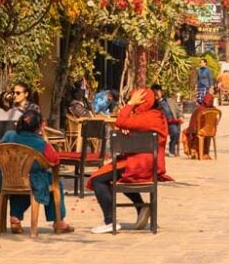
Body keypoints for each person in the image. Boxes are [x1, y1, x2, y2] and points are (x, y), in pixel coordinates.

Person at [87, 87, 171, 234]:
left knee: (98, 180)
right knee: (114, 176)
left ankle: (109, 220)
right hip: (147, 163)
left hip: (138, 165)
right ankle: (140, 207)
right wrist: (128, 128)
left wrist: (130, 104)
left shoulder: (145, 117)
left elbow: (120, 121)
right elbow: (127, 125)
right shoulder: (155, 116)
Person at [0, 109, 74, 234]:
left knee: (23, 182)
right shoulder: (40, 143)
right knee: (55, 183)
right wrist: (44, 137)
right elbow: (55, 160)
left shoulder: (8, 135)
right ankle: (58, 221)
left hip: (7, 179)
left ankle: (15, 218)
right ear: (38, 126)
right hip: (32, 180)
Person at [182, 93, 220, 159]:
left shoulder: (199, 110)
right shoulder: (215, 110)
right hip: (211, 131)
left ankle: (194, 151)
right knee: (197, 131)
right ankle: (205, 152)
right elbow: (215, 121)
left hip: (201, 131)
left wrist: (192, 129)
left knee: (185, 132)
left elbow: (193, 124)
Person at [152, 83, 182, 157]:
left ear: (161, 92)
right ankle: (157, 150)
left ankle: (172, 150)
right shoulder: (153, 104)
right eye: (155, 92)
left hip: (171, 122)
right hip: (160, 124)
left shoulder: (169, 101)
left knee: (175, 131)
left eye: (158, 91)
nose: (157, 93)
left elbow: (179, 111)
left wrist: (181, 117)